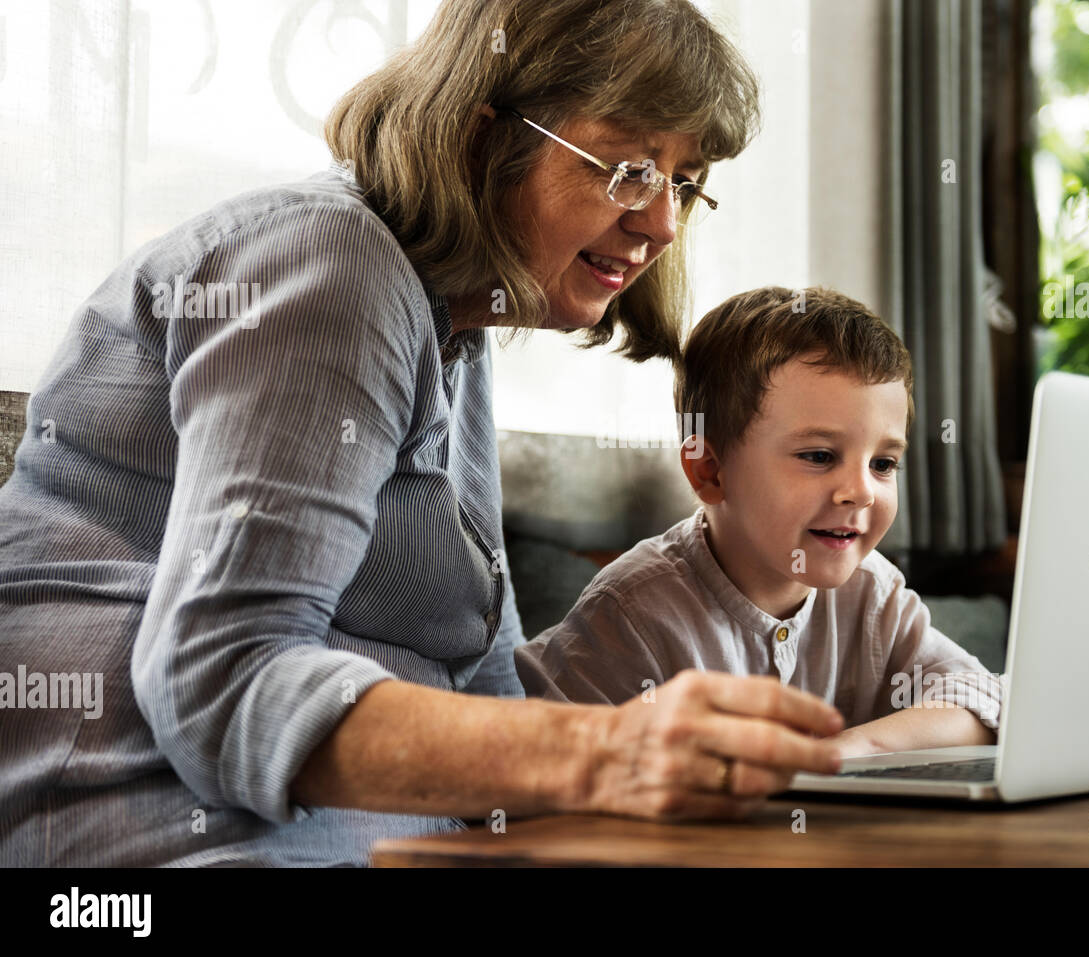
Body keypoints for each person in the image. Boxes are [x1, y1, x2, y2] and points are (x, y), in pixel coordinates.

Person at [0, 0, 845, 868]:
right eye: (628, 166)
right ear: (485, 140)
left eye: (683, 179)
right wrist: (610, 753)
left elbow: (483, 683)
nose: (664, 222)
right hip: (150, 836)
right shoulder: (328, 261)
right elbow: (221, 681)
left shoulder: (456, 325)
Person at [515, 286, 1006, 755]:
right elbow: (531, 752)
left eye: (883, 464)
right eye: (818, 455)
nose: (860, 491)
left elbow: (984, 700)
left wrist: (852, 749)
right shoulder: (631, 612)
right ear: (710, 472)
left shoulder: (873, 592)